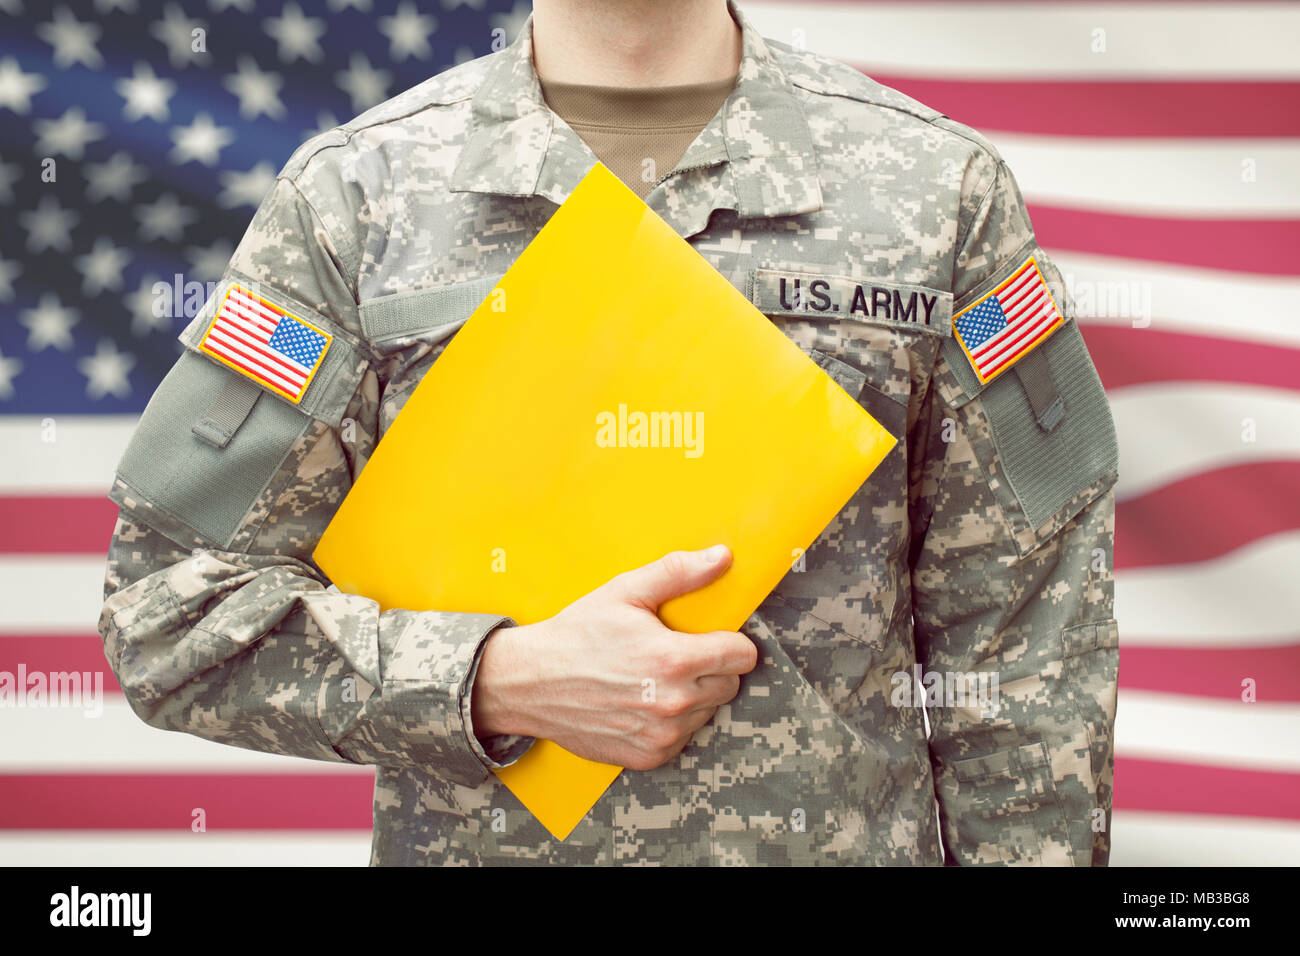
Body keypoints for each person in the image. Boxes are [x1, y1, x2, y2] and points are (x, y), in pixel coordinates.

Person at [99, 0, 1119, 865]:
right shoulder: (357, 200)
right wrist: (497, 678)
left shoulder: (937, 193)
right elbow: (169, 613)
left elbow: (1029, 653)